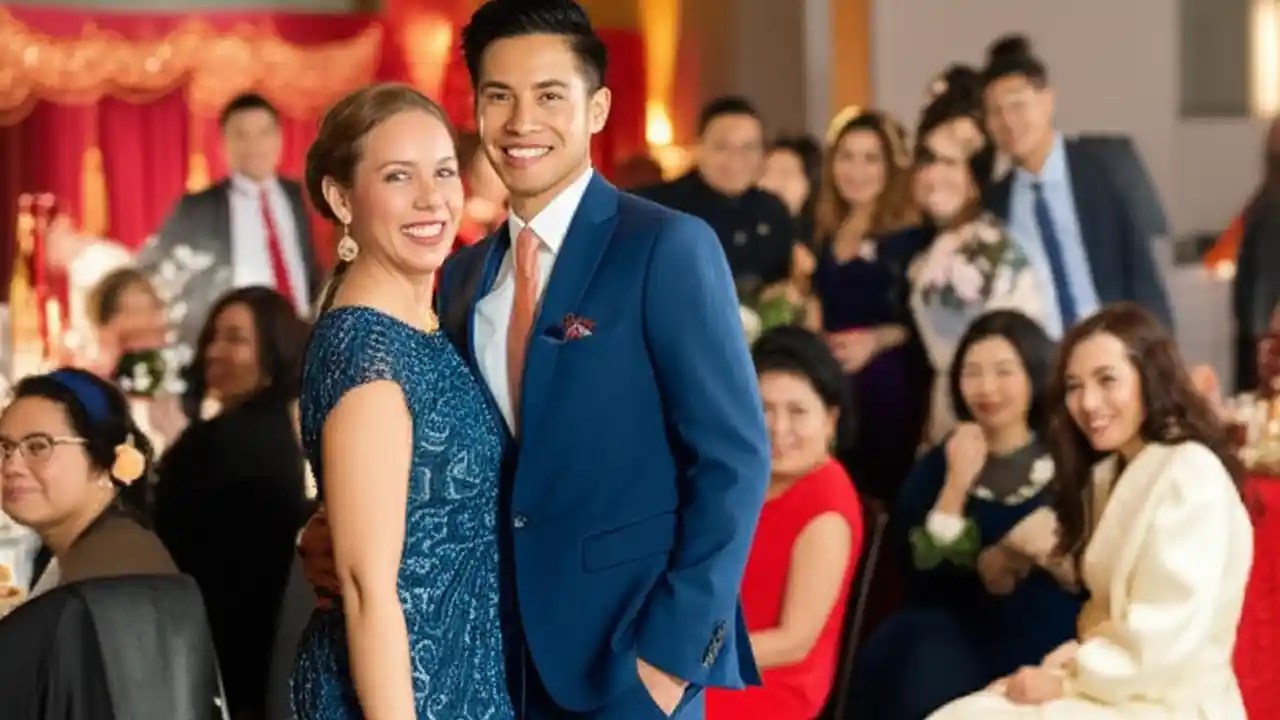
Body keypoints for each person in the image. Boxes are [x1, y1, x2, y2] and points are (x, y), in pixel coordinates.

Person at [301, 2, 771, 718]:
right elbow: (418, 449)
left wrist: (674, 662)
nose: (523, 122)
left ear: (597, 108)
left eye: (550, 95)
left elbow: (734, 462)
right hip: (489, 667)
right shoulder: (457, 279)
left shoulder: (664, 248)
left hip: (629, 664)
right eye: (499, 96)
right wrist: (325, 524)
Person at [286, 83, 513, 720]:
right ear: (340, 197)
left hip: (459, 671)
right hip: (404, 690)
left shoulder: (423, 323)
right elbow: (365, 589)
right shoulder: (368, 350)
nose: (430, 198)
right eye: (397, 176)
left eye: (443, 171)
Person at [929, 303, 1253, 719]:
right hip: (1115, 681)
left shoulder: (1188, 472)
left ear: (1149, 377)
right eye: (1074, 386)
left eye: (1107, 380)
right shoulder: (1110, 472)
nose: (1088, 402)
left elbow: (1163, 637)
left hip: (1167, 698)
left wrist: (1065, 679)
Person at [854, 311, 1079, 720]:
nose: (986, 387)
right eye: (972, 372)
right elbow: (921, 576)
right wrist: (956, 484)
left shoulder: (1068, 461)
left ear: (1035, 373)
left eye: (1003, 371)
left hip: (1046, 638)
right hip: (953, 637)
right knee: (920, 657)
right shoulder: (938, 465)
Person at [153, 286, 310, 720]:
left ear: (273, 351)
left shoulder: (229, 439)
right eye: (214, 337)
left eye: (236, 339)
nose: (216, 351)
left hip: (221, 651)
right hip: (251, 650)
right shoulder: (269, 430)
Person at [705, 327, 863, 720]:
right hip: (714, 652)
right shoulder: (746, 473)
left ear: (830, 420)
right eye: (764, 408)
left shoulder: (827, 503)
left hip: (767, 678)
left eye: (797, 412)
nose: (778, 429)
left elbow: (794, 642)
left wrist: (690, 658)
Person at [980, 35, 1173, 338]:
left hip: (1116, 344)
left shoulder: (1107, 166)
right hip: (1046, 361)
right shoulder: (995, 204)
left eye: (1018, 105)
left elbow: (1145, 271)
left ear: (1047, 101)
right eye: (995, 111)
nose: (1007, 121)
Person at [903, 64, 1047, 443]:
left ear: (977, 173)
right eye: (926, 160)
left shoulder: (990, 247)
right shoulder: (935, 246)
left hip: (990, 417)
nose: (934, 176)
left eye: (951, 162)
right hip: (947, 413)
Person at [141, 93, 323, 353]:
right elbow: (156, 269)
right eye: (241, 135)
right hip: (236, 347)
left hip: (300, 340)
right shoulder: (197, 208)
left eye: (263, 133)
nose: (254, 145)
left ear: (279, 138)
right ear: (223, 144)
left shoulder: (302, 197)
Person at [811, 108, 923, 502]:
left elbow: (920, 321)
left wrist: (875, 340)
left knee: (880, 493)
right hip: (831, 379)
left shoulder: (911, 234)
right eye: (847, 156)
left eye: (871, 158)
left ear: (891, 167)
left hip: (887, 380)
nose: (857, 170)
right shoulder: (825, 229)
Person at [0, 369, 176, 600]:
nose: (11, 466)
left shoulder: (108, 577)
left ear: (105, 459)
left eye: (38, 447)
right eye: (5, 448)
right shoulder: (106, 544)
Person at [636, 96, 794, 299]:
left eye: (748, 147)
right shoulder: (654, 208)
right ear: (698, 148)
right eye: (722, 147)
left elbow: (780, 288)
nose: (735, 159)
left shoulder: (773, 211)